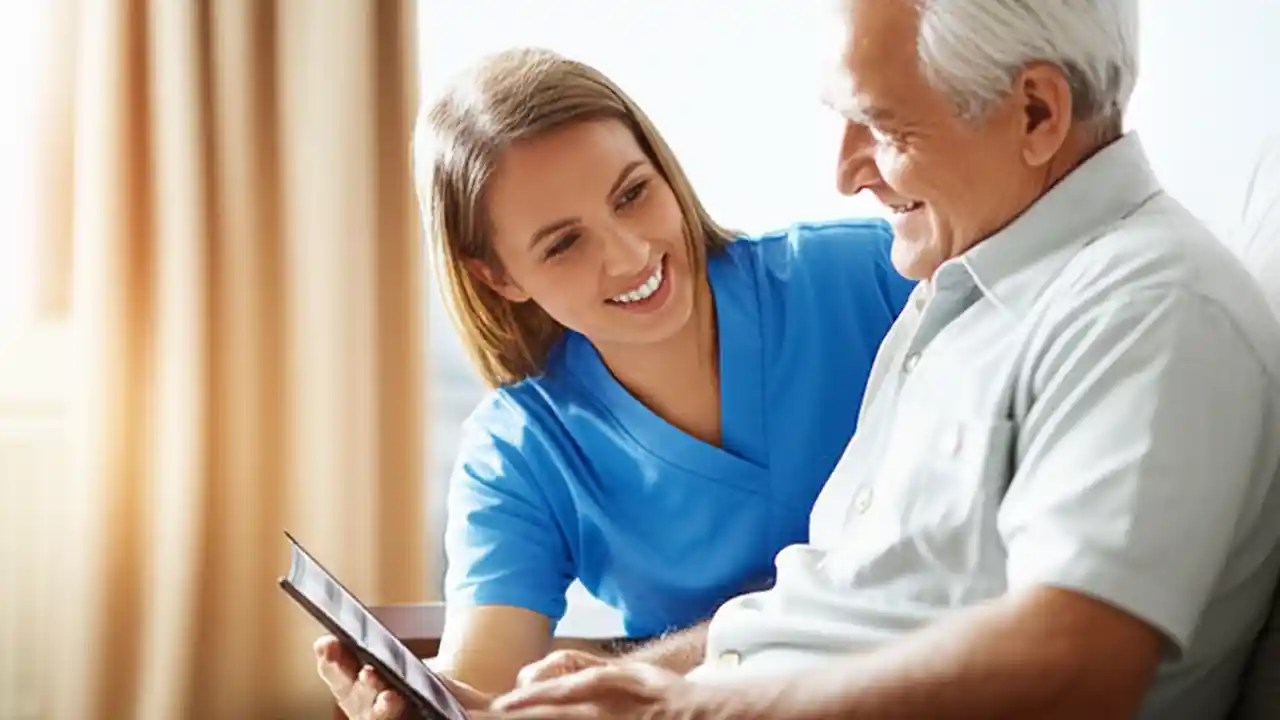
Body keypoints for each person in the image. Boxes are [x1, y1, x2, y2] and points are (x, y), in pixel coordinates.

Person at [481, 1, 1280, 719]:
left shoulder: (1144, 309)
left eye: (886, 127)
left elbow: (1075, 665)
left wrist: (693, 712)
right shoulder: (958, 292)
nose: (846, 170)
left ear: (1036, 112)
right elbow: (837, 600)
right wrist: (614, 687)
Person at [315, 47, 914, 717]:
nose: (631, 255)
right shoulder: (520, 449)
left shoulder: (871, 276)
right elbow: (484, 677)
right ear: (500, 277)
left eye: (633, 194)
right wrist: (428, 706)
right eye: (563, 243)